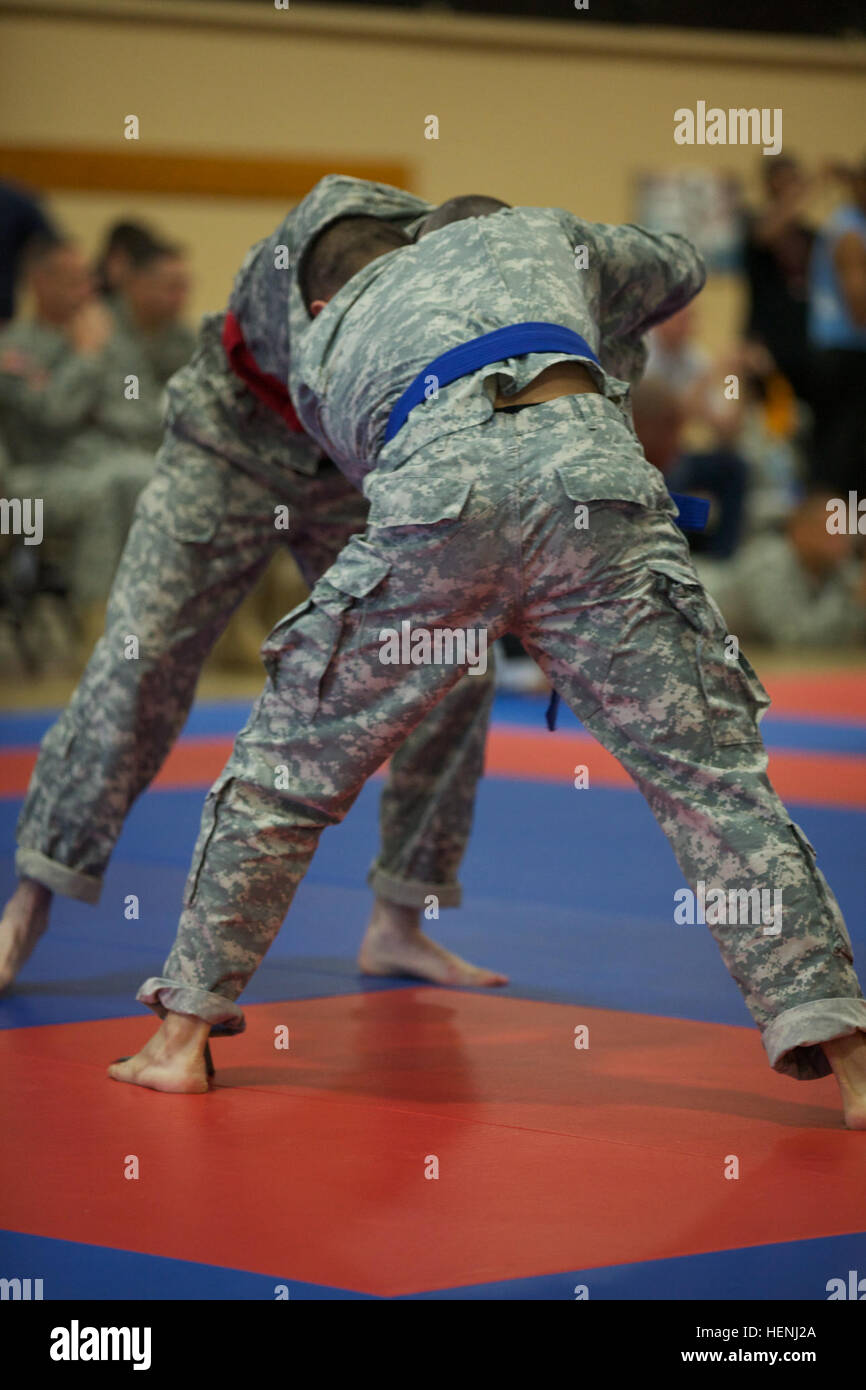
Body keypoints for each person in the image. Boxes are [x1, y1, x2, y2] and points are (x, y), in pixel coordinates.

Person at [109, 185, 866, 1129]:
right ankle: (848, 1056)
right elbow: (682, 265)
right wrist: (606, 336)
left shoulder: (324, 337)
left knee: (282, 778)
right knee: (713, 784)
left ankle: (178, 1042)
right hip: (598, 494)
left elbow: (369, 470)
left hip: (439, 506)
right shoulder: (547, 233)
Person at [0, 179, 509, 997]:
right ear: (322, 303)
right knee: (141, 664)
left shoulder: (446, 271)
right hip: (229, 446)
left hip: (348, 470)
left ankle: (400, 921)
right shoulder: (289, 277)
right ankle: (29, 902)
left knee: (454, 664)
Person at [696, 490, 866, 647]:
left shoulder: (839, 567)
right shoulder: (767, 564)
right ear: (800, 530)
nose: (844, 539)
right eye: (834, 529)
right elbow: (792, 639)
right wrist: (855, 602)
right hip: (693, 627)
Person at [808, 157, 866, 494]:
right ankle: (832, 538)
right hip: (844, 357)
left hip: (850, 355)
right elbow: (859, 309)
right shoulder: (849, 232)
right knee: (840, 459)